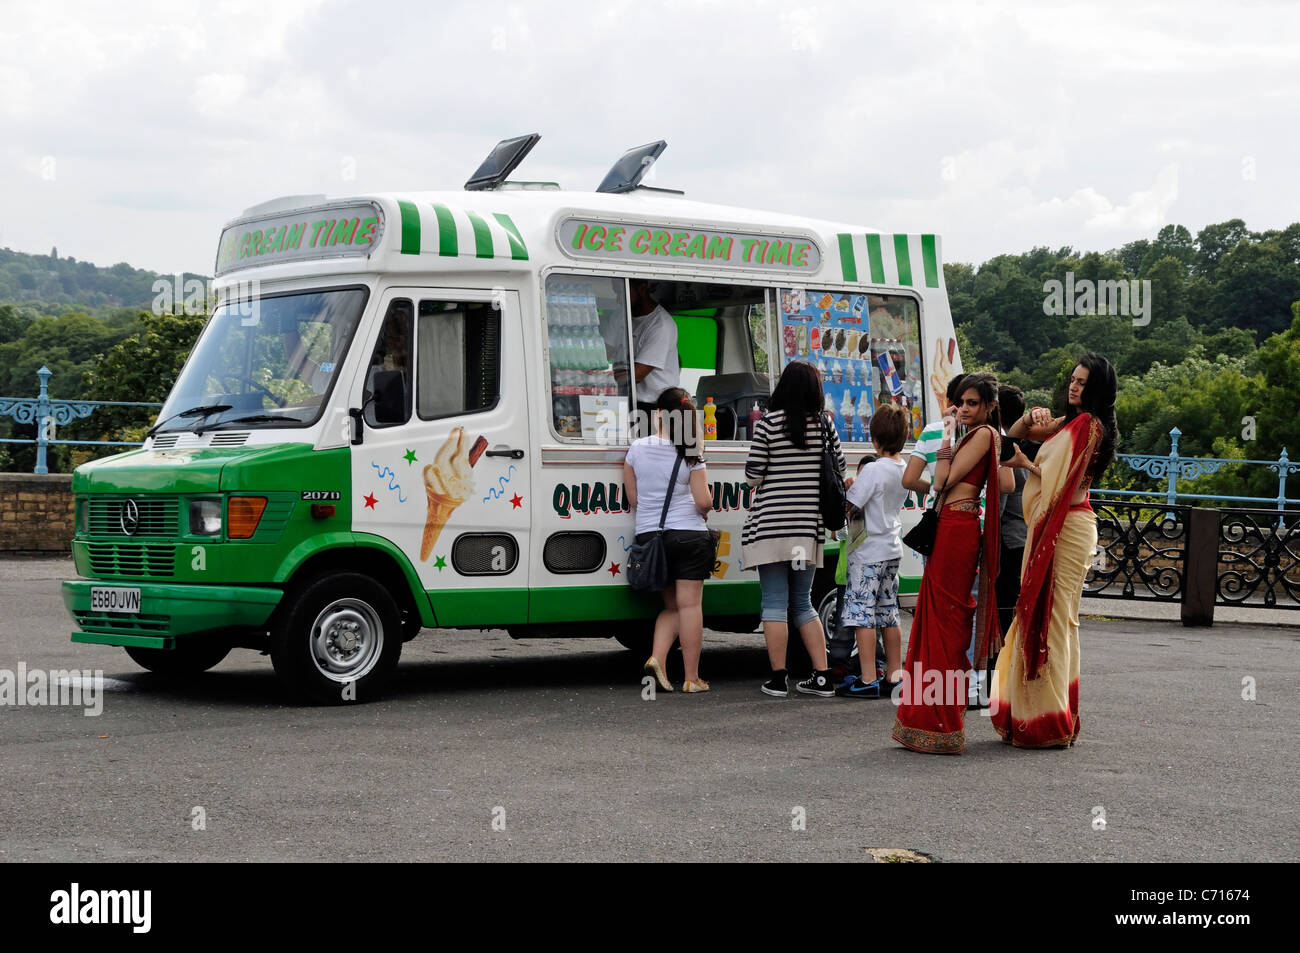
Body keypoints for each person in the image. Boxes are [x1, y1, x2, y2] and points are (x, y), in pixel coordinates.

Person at [991, 354, 1118, 748]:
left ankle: (1050, 720)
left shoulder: (1087, 427)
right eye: (1073, 380)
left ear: (1097, 388)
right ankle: (1047, 715)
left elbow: (1054, 480)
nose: (1074, 386)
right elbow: (1007, 440)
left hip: (1066, 525)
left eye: (1082, 382)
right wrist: (1029, 423)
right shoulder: (1077, 424)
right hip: (1062, 523)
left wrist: (1027, 463)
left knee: (1054, 620)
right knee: (1052, 620)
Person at [891, 373, 1002, 754]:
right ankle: (927, 720)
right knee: (935, 616)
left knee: (949, 621)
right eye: (960, 402)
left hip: (959, 528)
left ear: (988, 406)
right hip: (952, 526)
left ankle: (941, 722)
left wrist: (947, 437)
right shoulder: (975, 435)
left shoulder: (984, 435)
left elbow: (941, 481)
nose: (965, 409)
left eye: (972, 403)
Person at [742, 360, 846, 698]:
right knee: (803, 604)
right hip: (806, 531)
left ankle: (777, 679)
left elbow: (753, 474)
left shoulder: (768, 424)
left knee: (773, 602)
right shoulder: (825, 425)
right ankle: (821, 676)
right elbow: (839, 469)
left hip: (771, 527)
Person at [623, 387, 715, 693]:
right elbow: (702, 501)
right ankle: (692, 678)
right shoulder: (692, 451)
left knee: (672, 607)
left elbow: (633, 499)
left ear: (658, 414)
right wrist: (706, 508)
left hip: (652, 538)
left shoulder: (636, 448)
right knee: (690, 607)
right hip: (689, 536)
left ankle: (657, 658)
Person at [836, 403, 910, 698]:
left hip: (868, 551)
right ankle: (895, 674)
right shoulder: (903, 467)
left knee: (861, 614)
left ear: (875, 439)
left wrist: (847, 487)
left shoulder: (875, 470)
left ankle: (868, 678)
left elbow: (850, 506)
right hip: (892, 547)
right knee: (888, 612)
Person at [995, 384, 1034, 637]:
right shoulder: (1024, 444)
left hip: (1009, 539)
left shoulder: (1005, 447)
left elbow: (1001, 501)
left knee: (1004, 606)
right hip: (1023, 534)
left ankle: (1000, 666)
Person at [627, 280, 680, 434]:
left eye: (622, 291)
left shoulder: (661, 324)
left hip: (656, 409)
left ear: (642, 289)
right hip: (633, 405)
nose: (618, 298)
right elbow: (604, 350)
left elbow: (637, 375)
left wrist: (601, 379)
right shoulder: (623, 316)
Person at [901, 374, 966, 499]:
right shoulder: (987, 432)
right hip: (977, 513)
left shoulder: (930, 432)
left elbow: (909, 480)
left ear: (949, 402)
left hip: (937, 513)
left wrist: (933, 488)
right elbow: (1006, 484)